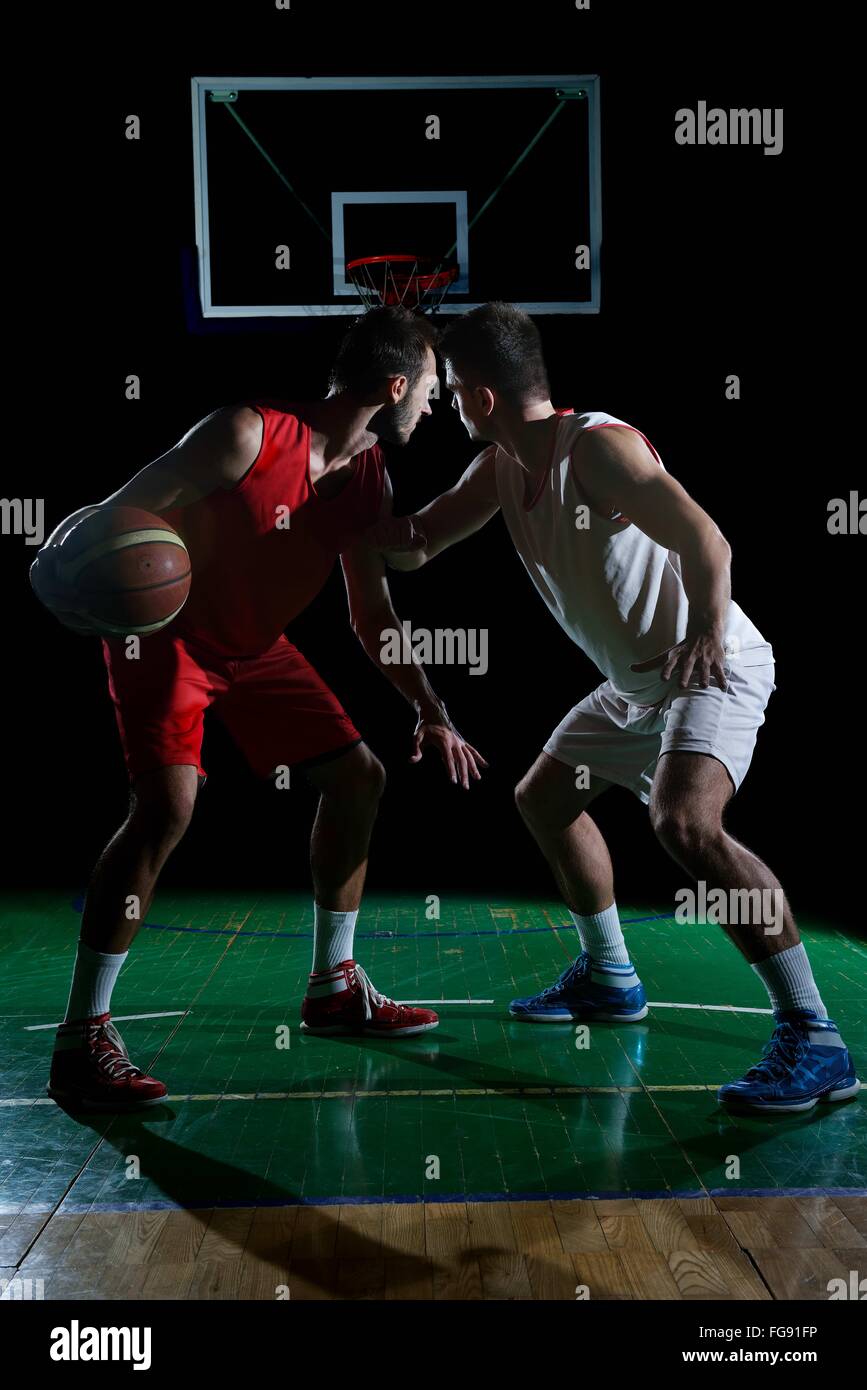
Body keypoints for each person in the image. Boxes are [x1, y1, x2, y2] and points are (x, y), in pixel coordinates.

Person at [366, 301, 859, 1115]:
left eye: (452, 388)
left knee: (684, 824)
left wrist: (705, 631)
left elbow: (706, 538)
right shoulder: (500, 468)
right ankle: (609, 976)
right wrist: (320, 518)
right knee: (544, 798)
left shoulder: (596, 447)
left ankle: (815, 1037)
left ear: (481, 394)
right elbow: (415, 541)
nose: (448, 402)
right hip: (636, 686)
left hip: (711, 665)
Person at [30, 307, 486, 1110]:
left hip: (255, 647)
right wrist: (62, 569)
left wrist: (430, 708)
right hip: (168, 638)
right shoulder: (246, 433)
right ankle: (82, 1037)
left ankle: (333, 986)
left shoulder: (370, 478)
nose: (431, 405)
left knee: (358, 780)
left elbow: (371, 615)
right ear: (393, 384)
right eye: (427, 389)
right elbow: (117, 515)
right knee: (169, 806)